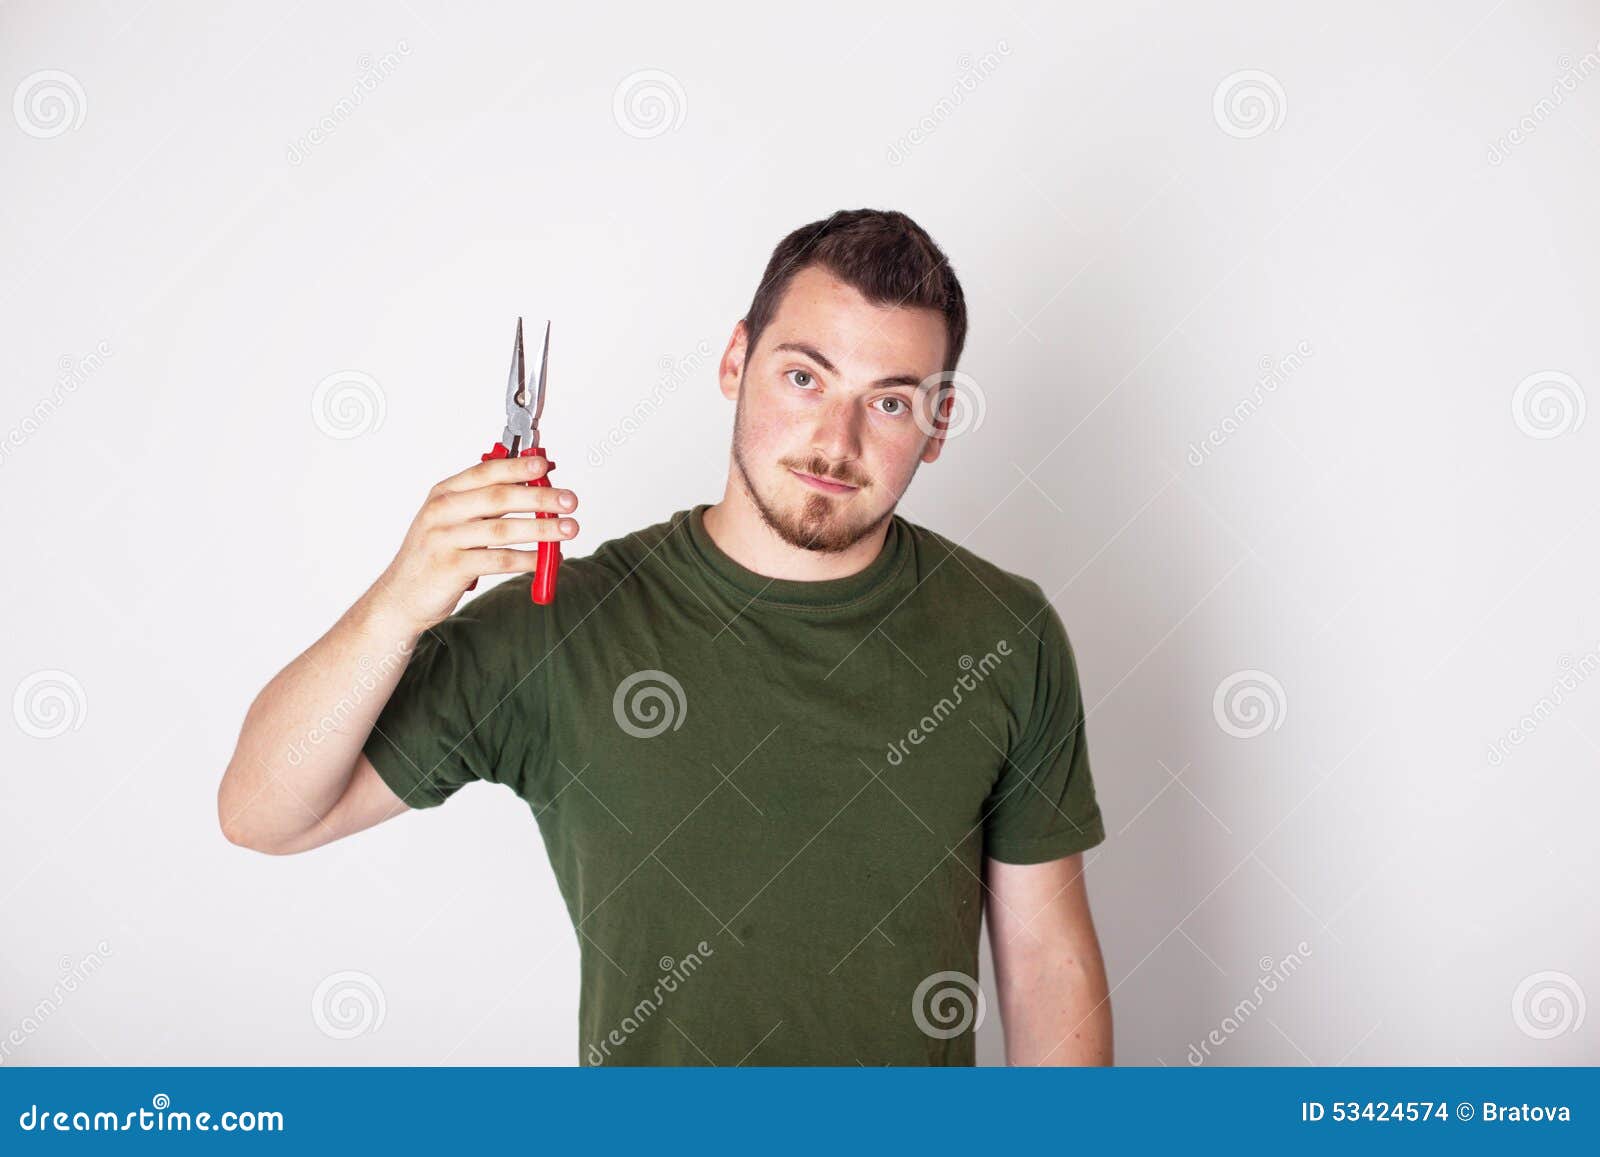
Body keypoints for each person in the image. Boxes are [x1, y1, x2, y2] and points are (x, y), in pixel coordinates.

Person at [217, 209, 1112, 1066]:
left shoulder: (1004, 632)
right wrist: (400, 602)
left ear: (941, 421)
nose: (833, 440)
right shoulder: (563, 627)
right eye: (804, 377)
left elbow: (1046, 962)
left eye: (888, 403)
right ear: (735, 360)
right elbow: (264, 814)